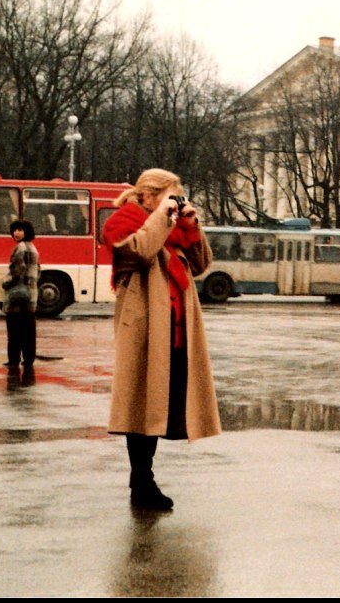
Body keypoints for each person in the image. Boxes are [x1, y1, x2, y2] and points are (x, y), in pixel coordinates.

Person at [102, 168, 221, 511]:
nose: (175, 203)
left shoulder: (169, 225)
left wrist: (192, 225)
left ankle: (143, 480)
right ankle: (142, 481)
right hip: (143, 327)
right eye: (170, 196)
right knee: (141, 402)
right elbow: (139, 250)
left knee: (159, 404)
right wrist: (163, 217)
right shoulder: (123, 221)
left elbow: (200, 265)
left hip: (175, 327)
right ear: (149, 195)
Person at [2, 220, 40, 368]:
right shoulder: (33, 248)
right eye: (14, 230)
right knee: (29, 331)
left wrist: (5, 283)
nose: (16, 233)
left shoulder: (20, 248)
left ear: (26, 231)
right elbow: (38, 271)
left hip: (17, 295)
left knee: (14, 331)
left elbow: (16, 271)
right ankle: (29, 359)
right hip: (30, 295)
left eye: (20, 230)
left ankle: (13, 360)